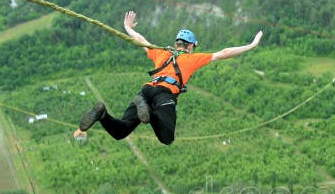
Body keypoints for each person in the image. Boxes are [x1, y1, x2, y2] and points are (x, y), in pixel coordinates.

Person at [74, 10, 263, 144]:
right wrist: (251, 45)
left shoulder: (162, 53)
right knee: (166, 138)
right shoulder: (192, 58)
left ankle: (103, 114)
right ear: (191, 46)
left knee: (120, 131)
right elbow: (224, 52)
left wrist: (128, 28)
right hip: (164, 94)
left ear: (177, 43)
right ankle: (149, 114)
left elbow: (141, 41)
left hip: (145, 91)